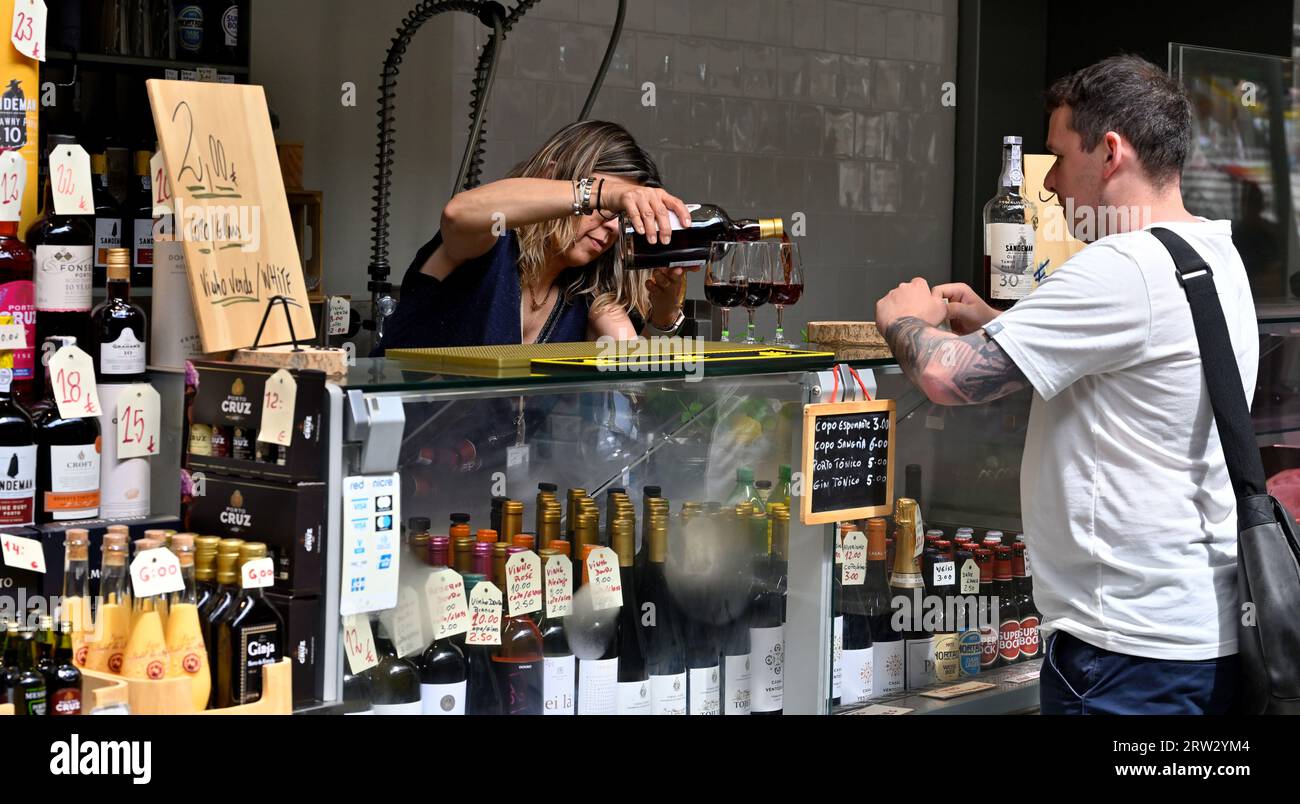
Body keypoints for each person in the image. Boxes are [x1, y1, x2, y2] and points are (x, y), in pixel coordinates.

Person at [874, 55, 1256, 714]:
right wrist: (1002, 326)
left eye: (1056, 156)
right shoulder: (1211, 251)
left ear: (1110, 152)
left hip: (1126, 651)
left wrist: (902, 318)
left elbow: (946, 377)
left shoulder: (1118, 265)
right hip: (1196, 632)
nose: (1047, 184)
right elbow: (1130, 368)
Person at [376, 120, 694, 352]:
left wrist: (664, 317)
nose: (613, 226)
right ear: (550, 177)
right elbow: (458, 215)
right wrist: (602, 194)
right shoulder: (490, 243)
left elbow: (634, 375)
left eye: (622, 215)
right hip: (394, 439)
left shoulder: (585, 292)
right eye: (604, 205)